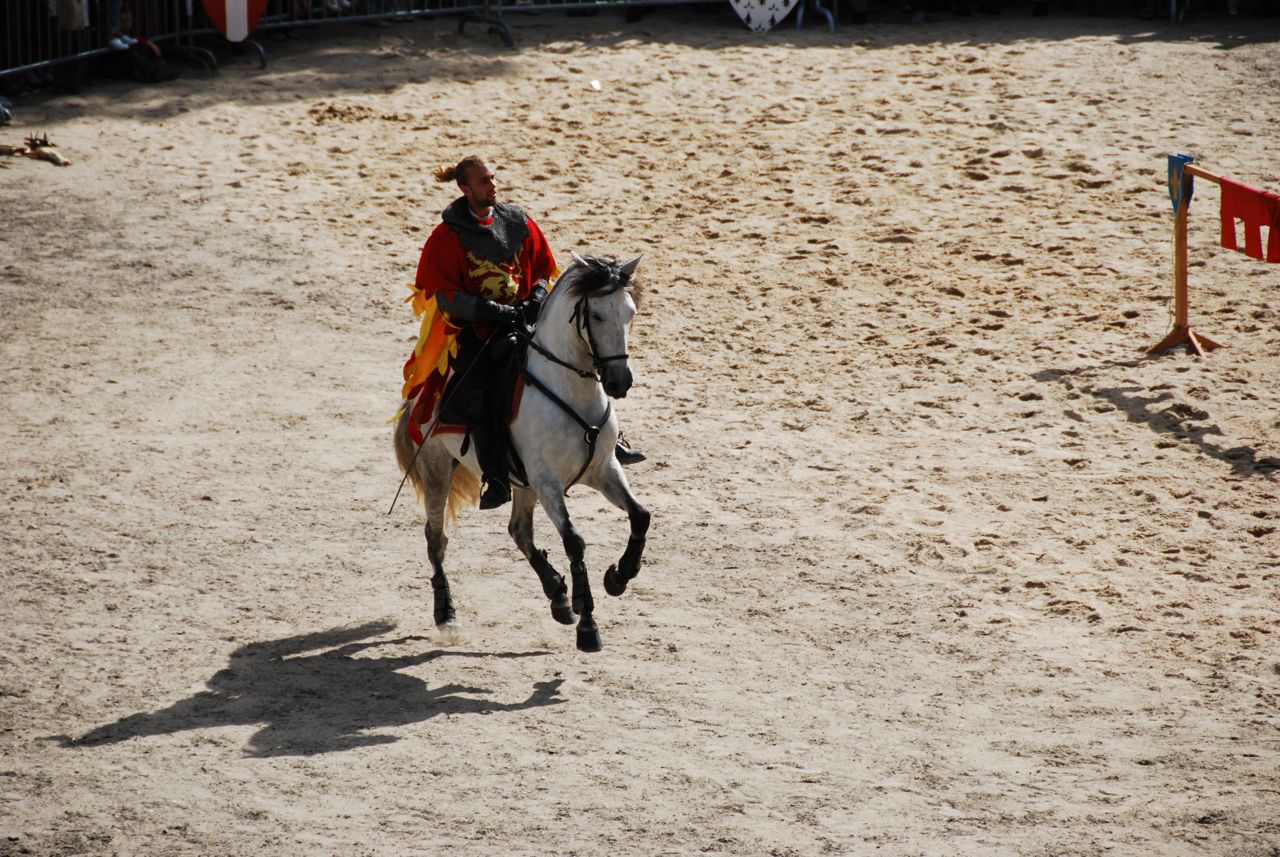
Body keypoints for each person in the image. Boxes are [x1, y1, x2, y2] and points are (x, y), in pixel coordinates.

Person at [407, 155, 645, 511]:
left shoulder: (517, 221)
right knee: (482, 391)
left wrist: (534, 298)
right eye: (484, 181)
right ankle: (496, 476)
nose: (492, 185)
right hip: (478, 332)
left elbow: (543, 271)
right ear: (465, 188)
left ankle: (610, 443)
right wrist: (493, 311)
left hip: (525, 320)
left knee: (581, 358)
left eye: (493, 178)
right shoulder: (446, 237)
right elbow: (446, 297)